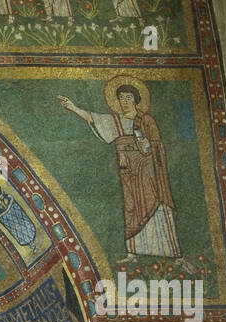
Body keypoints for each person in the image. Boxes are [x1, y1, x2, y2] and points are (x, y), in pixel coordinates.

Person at [58, 82, 194, 271]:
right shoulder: (116, 121)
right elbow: (93, 118)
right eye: (121, 98)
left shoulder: (145, 120)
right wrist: (72, 107)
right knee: (131, 208)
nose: (125, 102)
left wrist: (143, 142)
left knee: (157, 206)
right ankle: (133, 253)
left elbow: (157, 145)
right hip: (129, 174)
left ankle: (176, 255)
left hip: (149, 172)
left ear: (136, 100)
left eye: (128, 98)